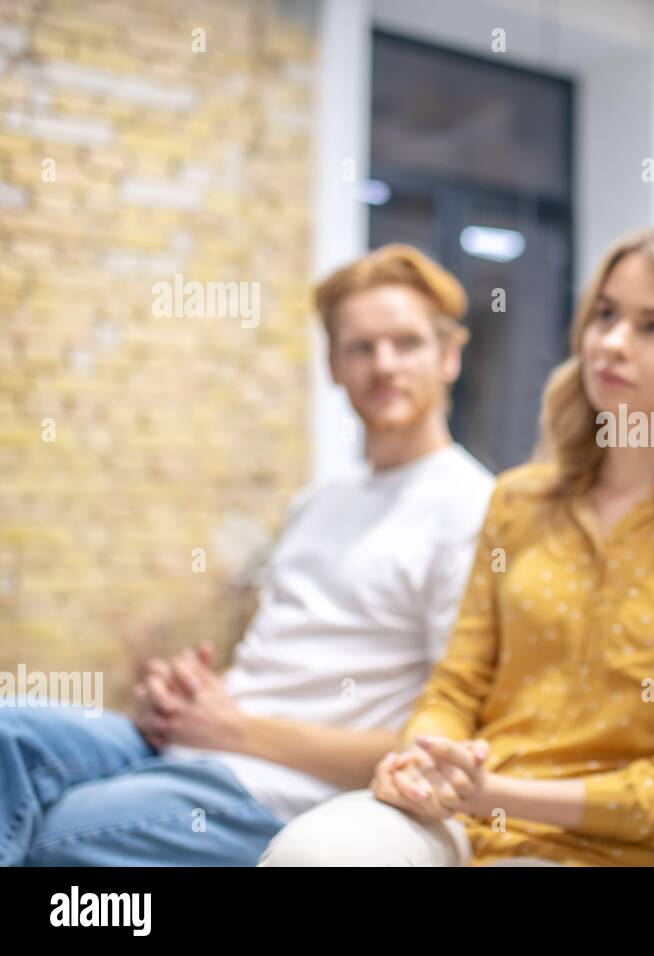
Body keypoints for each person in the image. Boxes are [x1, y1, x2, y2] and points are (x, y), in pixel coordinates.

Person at [260, 227, 654, 867]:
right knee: (312, 854)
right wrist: (423, 756)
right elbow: (455, 687)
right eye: (606, 314)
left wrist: (504, 794)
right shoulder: (519, 502)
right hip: (460, 822)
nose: (611, 343)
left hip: (602, 850)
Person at [1, 245, 494, 865]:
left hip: (274, 789)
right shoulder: (318, 502)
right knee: (7, 734)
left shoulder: (472, 513)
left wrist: (233, 729)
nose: (384, 365)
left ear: (449, 355)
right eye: (360, 348)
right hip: (193, 747)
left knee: (59, 834)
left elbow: (436, 743)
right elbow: (278, 661)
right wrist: (189, 695)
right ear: (333, 365)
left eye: (407, 343)